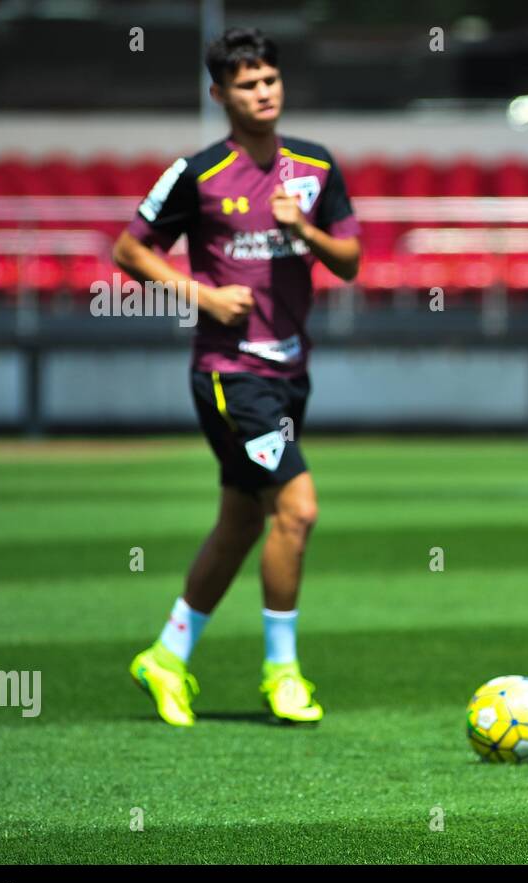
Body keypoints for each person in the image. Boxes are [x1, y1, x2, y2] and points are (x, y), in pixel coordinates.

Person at [114, 27, 361, 726]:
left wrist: (304, 233)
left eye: (270, 80)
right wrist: (203, 295)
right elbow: (130, 248)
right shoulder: (196, 172)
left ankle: (166, 655)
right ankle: (282, 673)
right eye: (247, 84)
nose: (263, 92)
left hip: (290, 373)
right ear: (219, 94)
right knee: (299, 508)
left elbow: (350, 261)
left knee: (240, 522)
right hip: (231, 376)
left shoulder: (316, 166)